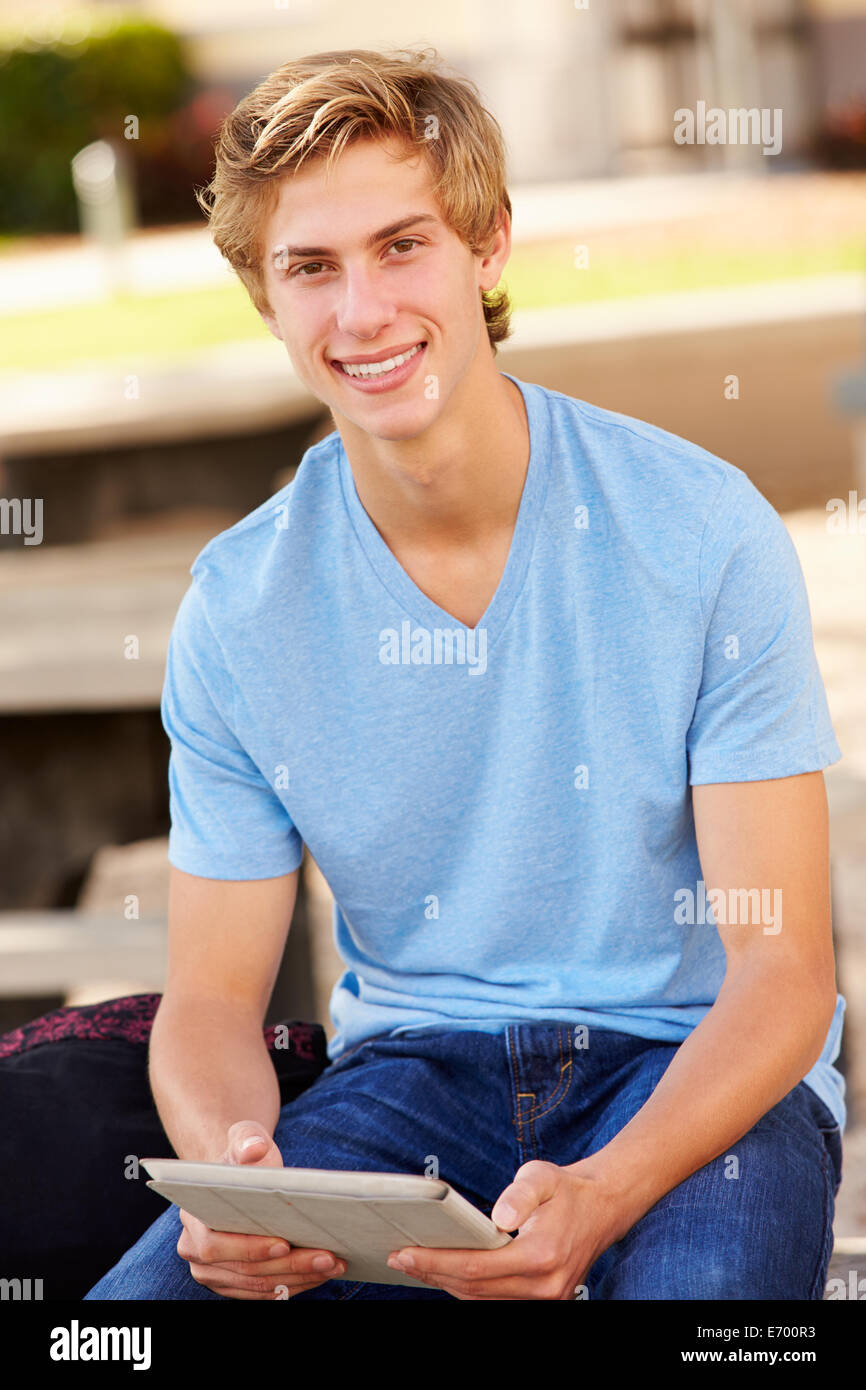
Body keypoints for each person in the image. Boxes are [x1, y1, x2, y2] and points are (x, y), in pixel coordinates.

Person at [85, 47, 845, 1302]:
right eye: (309, 268)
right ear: (261, 295)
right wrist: (238, 1176)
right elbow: (213, 1003)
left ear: (487, 246)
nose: (361, 313)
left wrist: (605, 1189)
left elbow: (782, 976)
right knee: (125, 1328)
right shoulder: (238, 605)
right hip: (415, 1078)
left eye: (401, 245)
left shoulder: (699, 532)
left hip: (692, 1066)